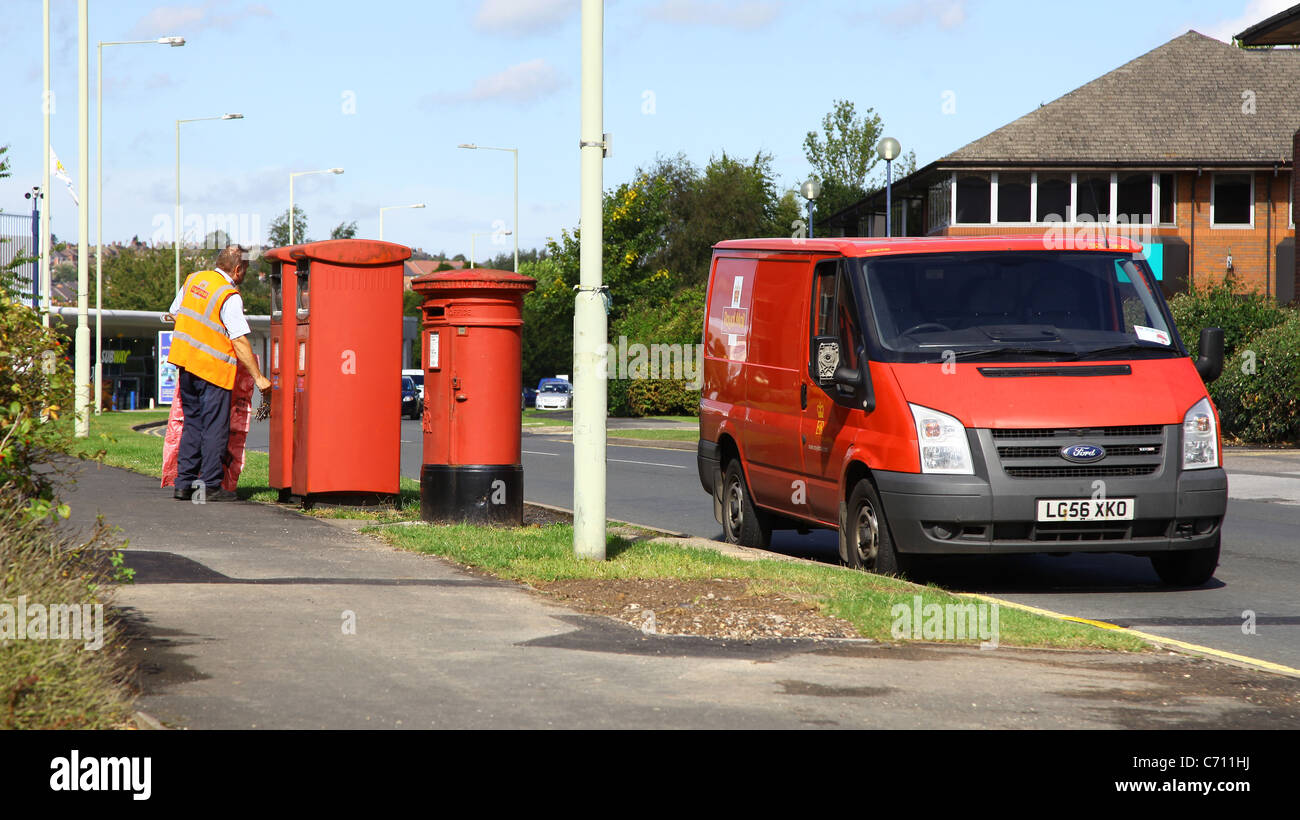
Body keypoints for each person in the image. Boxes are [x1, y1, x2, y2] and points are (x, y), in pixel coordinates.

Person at [167, 244, 271, 501]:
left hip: (186, 365)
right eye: (245, 269)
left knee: (193, 424)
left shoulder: (194, 280)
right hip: (212, 369)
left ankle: (184, 484)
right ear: (238, 269)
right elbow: (239, 340)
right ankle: (211, 486)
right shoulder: (229, 295)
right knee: (215, 428)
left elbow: (174, 313)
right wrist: (259, 378)